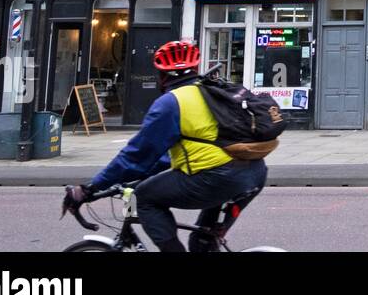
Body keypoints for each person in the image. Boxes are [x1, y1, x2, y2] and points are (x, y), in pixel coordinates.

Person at [64, 40, 268, 252]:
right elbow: (169, 157)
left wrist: (90, 188)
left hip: (217, 178)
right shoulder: (213, 92)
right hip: (254, 174)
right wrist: (141, 177)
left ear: (162, 76)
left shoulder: (171, 103)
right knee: (201, 242)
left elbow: (135, 157)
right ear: (196, 68)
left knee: (143, 198)